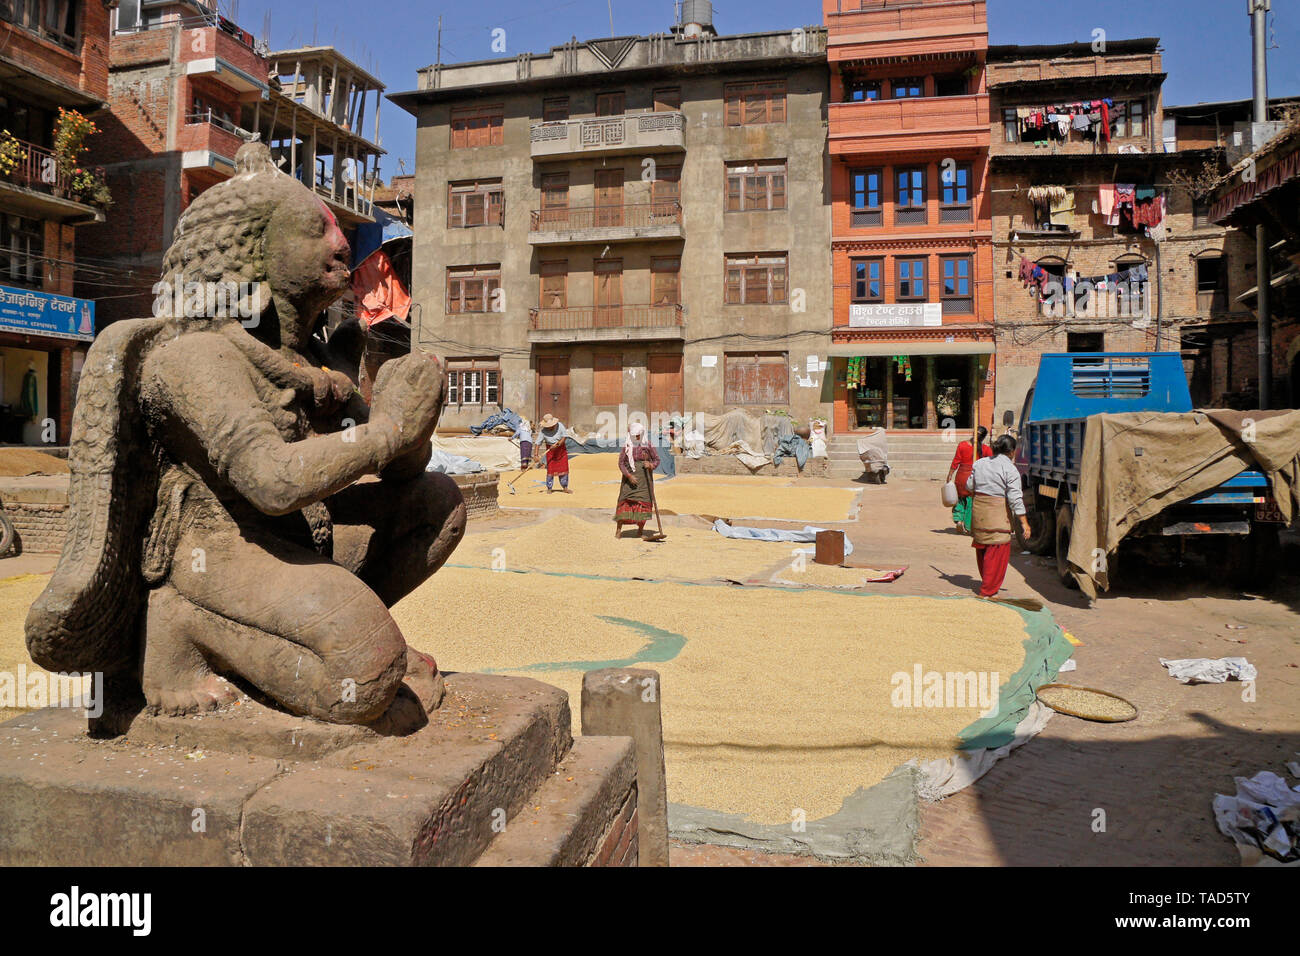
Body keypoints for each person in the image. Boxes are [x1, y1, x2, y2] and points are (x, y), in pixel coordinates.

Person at [967, 434, 1032, 599]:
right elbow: (1015, 498)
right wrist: (1024, 522)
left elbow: (969, 485)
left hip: (980, 511)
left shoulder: (980, 463)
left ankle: (987, 585)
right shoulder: (1010, 469)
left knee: (983, 547)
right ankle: (988, 590)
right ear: (1011, 451)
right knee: (996, 550)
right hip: (997, 513)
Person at [613, 422, 661, 538]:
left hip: (645, 481)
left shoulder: (648, 445)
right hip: (629, 481)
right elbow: (621, 463)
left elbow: (657, 460)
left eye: (638, 435)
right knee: (625, 502)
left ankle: (640, 530)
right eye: (634, 436)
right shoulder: (627, 446)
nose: (636, 438)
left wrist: (650, 464)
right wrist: (629, 476)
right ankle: (618, 530)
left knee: (643, 504)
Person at [947, 426, 992, 533]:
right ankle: (968, 526)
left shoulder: (962, 445)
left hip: (961, 477)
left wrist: (950, 475)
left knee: (960, 500)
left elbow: (956, 461)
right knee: (971, 502)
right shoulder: (986, 449)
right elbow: (991, 462)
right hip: (974, 478)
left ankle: (958, 520)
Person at [537, 413, 573, 493]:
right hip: (550, 452)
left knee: (563, 469)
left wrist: (558, 444)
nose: (550, 427)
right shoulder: (543, 431)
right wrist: (536, 455)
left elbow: (564, 437)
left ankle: (565, 487)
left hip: (561, 450)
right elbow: (537, 443)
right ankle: (549, 488)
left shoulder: (560, 425)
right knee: (550, 470)